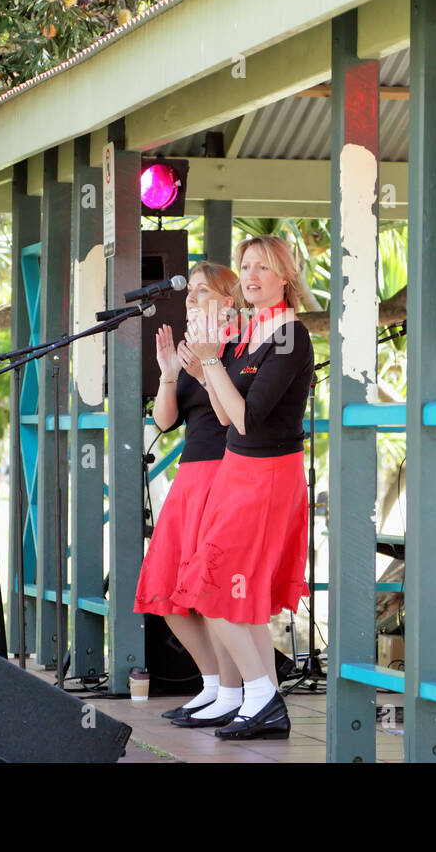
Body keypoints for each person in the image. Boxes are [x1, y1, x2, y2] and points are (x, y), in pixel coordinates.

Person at [171, 234, 313, 740]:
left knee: (209, 590)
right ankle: (261, 703)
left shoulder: (290, 336)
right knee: (236, 594)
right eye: (246, 265)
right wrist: (197, 369)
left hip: (268, 475)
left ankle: (262, 697)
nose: (251, 275)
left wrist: (209, 362)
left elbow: (248, 420)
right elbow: (226, 416)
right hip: (237, 468)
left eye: (263, 267)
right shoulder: (255, 330)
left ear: (286, 277)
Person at [132, 262, 244, 721]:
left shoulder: (242, 346)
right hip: (191, 473)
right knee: (164, 587)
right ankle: (213, 683)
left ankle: (235, 692)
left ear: (228, 301)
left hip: (227, 471)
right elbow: (162, 420)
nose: (192, 298)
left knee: (212, 587)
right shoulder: (189, 349)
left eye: (202, 290)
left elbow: (227, 415)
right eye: (190, 292)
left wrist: (203, 368)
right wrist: (168, 372)